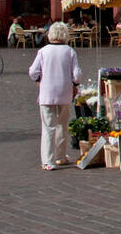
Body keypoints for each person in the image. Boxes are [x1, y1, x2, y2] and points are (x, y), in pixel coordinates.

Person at [27, 22, 82, 171]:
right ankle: (61, 156)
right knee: (62, 125)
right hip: (64, 92)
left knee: (48, 127)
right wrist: (75, 84)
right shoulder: (70, 51)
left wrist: (38, 80)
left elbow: (33, 71)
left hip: (47, 92)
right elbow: (77, 74)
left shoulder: (43, 51)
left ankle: (48, 161)